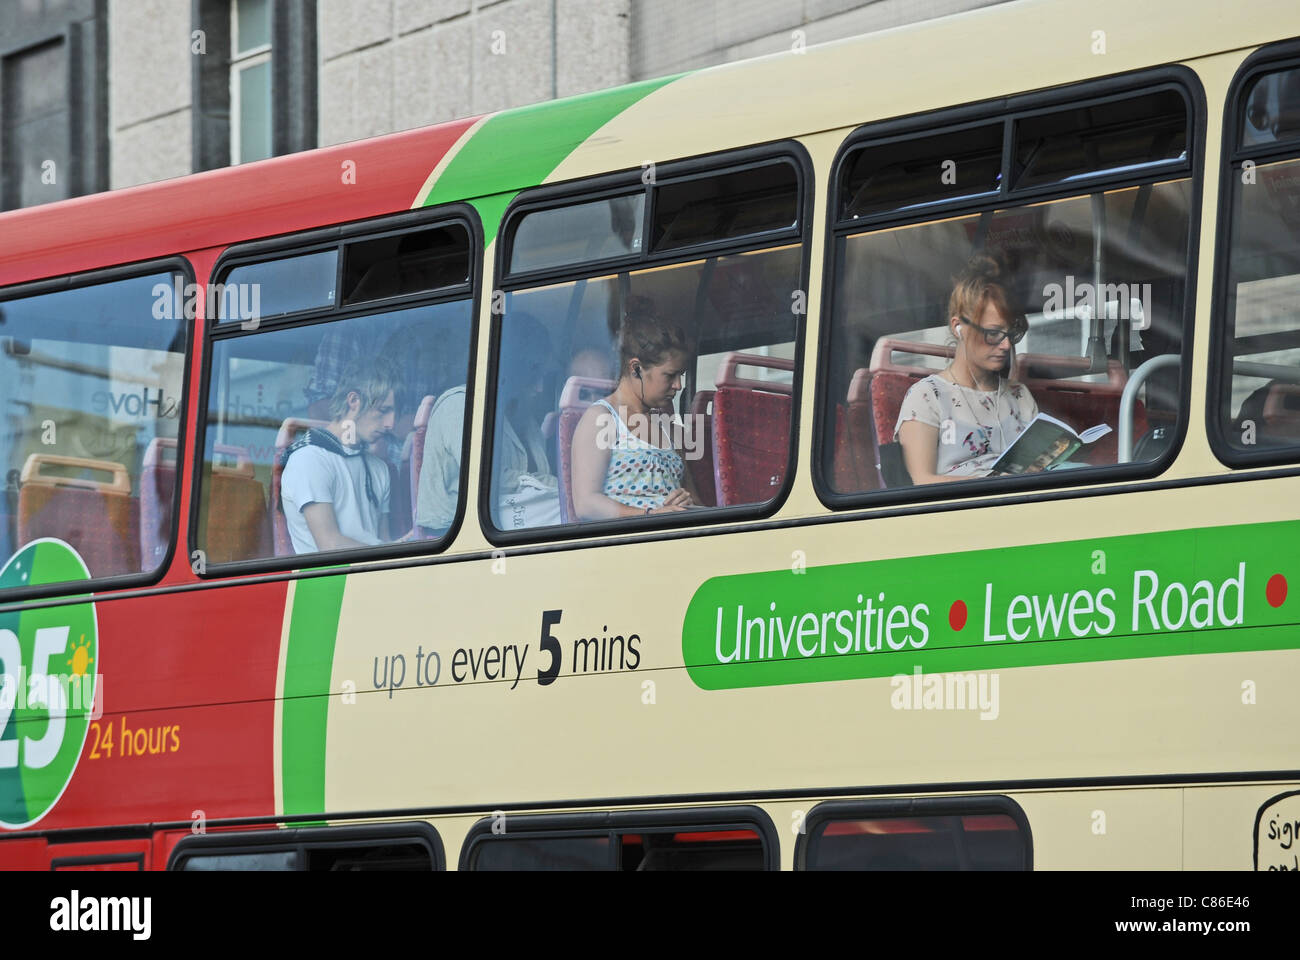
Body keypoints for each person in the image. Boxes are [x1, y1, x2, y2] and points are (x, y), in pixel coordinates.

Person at [895, 254, 1038, 484]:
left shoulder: (1019, 395)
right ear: (958, 327)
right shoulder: (928, 397)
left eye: (1011, 334)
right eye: (993, 334)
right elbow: (922, 482)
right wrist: (990, 483)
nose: (1006, 345)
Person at [415, 313, 560, 532]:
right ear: (512, 369)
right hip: (457, 530)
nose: (540, 388)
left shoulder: (528, 423)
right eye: (533, 374)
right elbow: (486, 477)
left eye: (544, 377)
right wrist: (555, 486)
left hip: (520, 525)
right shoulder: (461, 406)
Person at [570, 304, 697, 519]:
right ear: (636, 368)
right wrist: (650, 514)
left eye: (681, 376)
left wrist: (686, 502)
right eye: (670, 375)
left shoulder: (669, 429)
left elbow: (696, 500)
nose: (678, 385)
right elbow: (586, 503)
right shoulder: (602, 418)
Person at [281, 357, 398, 553]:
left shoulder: (379, 468)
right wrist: (391, 553)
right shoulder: (309, 460)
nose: (390, 424)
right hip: (327, 581)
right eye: (384, 411)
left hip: (373, 574)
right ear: (353, 401)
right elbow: (330, 545)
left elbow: (382, 541)